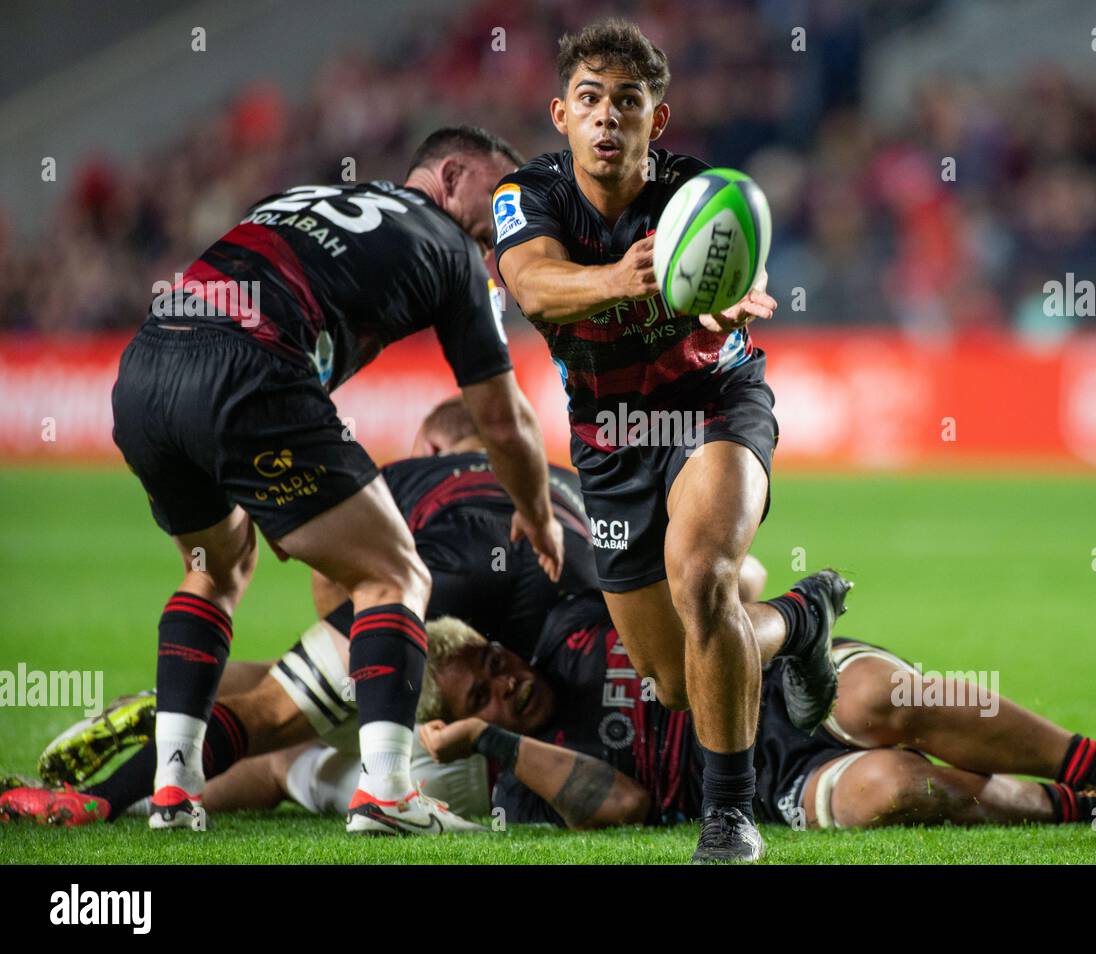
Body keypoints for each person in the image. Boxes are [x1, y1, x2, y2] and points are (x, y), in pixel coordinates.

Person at [108, 127, 561, 835]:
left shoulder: (302, 196)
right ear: (449, 175)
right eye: (500, 196)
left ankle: (173, 788)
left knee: (215, 568)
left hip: (143, 372)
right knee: (395, 576)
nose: (507, 222)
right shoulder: (452, 251)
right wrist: (536, 511)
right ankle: (387, 795)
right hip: (250, 369)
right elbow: (502, 422)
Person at [491, 16, 847, 863]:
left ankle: (728, 820)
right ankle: (798, 620)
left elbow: (742, 261)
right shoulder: (528, 195)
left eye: (628, 101)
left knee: (704, 577)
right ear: (561, 115)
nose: (608, 117)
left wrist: (732, 294)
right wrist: (620, 279)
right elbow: (533, 286)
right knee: (673, 681)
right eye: (590, 100)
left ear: (659, 120)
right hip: (609, 439)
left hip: (712, 405)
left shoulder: (700, 191)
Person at [8, 398, 593, 831]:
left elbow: (326, 571)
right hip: (578, 608)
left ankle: (112, 791)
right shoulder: (558, 477)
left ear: (434, 449)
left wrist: (351, 660)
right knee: (304, 712)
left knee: (280, 713)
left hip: (455, 584)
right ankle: (168, 721)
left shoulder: (399, 480)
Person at [417, 591, 1096, 834]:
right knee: (888, 788)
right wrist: (493, 740)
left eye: (495, 666)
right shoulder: (524, 788)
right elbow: (625, 804)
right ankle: (1076, 809)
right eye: (481, 702)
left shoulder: (571, 623)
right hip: (762, 777)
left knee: (883, 699)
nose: (505, 687)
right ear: (466, 732)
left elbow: (714, 593)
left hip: (776, 682)